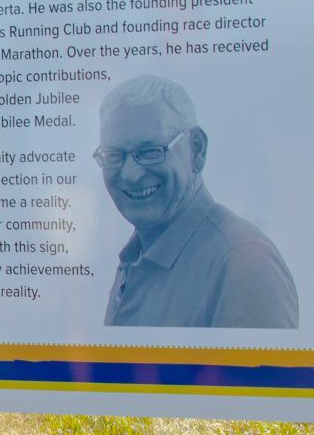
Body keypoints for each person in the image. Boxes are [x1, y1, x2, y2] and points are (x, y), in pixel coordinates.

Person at [96, 76, 299, 329]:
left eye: (150, 152)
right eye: (114, 155)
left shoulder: (240, 265)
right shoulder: (137, 256)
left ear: (197, 149)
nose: (130, 174)